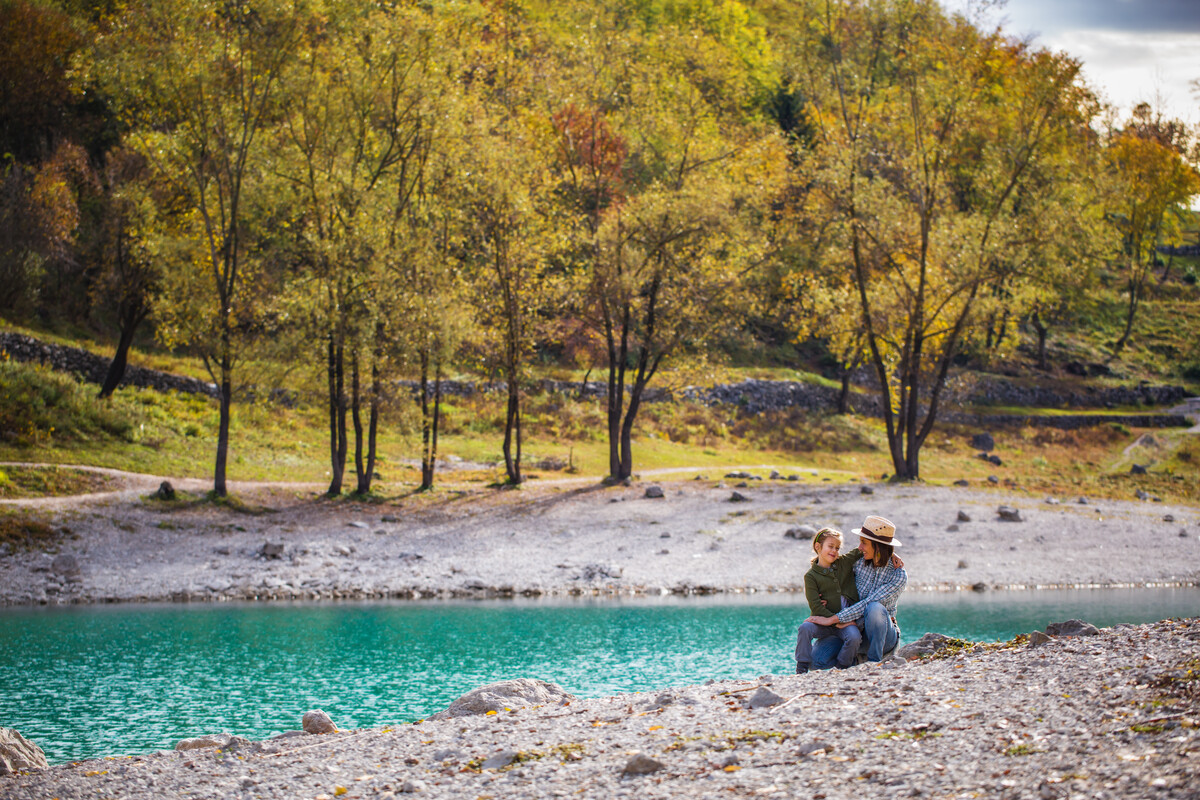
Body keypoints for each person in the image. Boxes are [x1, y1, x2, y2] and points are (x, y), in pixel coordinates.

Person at [805, 515, 907, 667]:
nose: (859, 547)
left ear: (878, 545)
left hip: (884, 636)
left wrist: (833, 619)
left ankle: (874, 662)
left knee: (874, 608)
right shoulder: (857, 564)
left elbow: (868, 603)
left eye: (864, 543)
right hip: (853, 630)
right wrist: (822, 596)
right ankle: (853, 661)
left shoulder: (898, 575)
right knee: (816, 660)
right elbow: (828, 569)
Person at [794, 528, 863, 673]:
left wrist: (892, 554)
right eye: (830, 546)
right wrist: (837, 621)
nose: (834, 551)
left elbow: (862, 549)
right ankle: (801, 668)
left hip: (846, 622)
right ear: (818, 547)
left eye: (837, 548)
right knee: (805, 628)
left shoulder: (843, 563)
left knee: (854, 637)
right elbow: (816, 607)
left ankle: (841, 668)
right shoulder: (811, 576)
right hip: (824, 623)